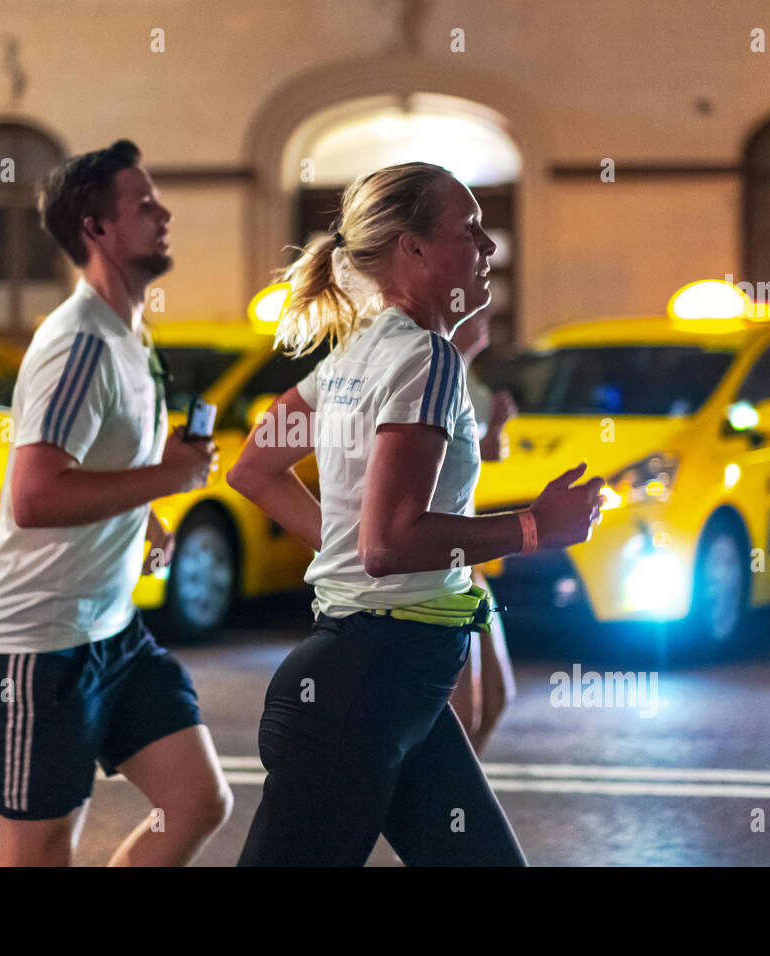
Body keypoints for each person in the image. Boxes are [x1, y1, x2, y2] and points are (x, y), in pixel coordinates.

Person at [228, 162, 603, 866]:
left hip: (394, 688)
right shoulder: (426, 359)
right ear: (414, 248)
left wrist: (345, 543)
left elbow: (256, 468)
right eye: (470, 230)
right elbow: (391, 544)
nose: (490, 248)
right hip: (363, 690)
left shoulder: (356, 354)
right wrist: (535, 528)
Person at [0, 140, 232, 867]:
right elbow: (33, 494)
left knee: (196, 801)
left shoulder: (131, 340)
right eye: (143, 204)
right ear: (97, 228)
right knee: (38, 853)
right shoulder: (78, 341)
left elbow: (94, 462)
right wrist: (166, 479)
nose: (163, 212)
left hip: (112, 632)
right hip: (39, 643)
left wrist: (141, 514)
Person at [448, 312, 518, 755]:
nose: (487, 319)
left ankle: (458, 805)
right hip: (448, 569)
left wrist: (496, 429)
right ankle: (453, 812)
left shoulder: (462, 376)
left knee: (497, 698)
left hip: (471, 566)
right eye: (477, 311)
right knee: (464, 714)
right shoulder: (430, 374)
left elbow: (482, 452)